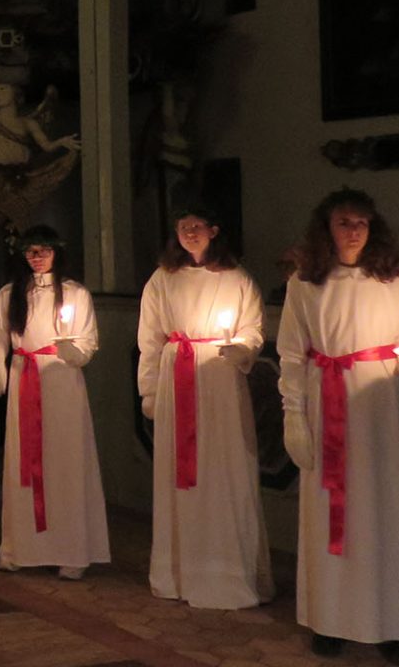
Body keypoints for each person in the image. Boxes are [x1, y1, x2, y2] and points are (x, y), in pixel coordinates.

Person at [277, 189, 399, 659]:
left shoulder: (396, 281)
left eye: (361, 223)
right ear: (326, 228)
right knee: (330, 511)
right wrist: (294, 415)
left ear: (373, 230)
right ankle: (329, 618)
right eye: (343, 223)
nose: (352, 232)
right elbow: (291, 353)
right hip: (324, 401)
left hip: (379, 412)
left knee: (385, 510)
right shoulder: (306, 283)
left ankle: (393, 619)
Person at [137, 209, 272, 609]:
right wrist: (148, 389)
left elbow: (253, 329)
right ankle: (179, 572)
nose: (190, 233)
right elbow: (149, 336)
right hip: (177, 381)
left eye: (197, 226)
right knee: (180, 480)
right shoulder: (163, 279)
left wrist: (243, 348)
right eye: (182, 227)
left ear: (214, 230)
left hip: (220, 382)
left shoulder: (237, 279)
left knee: (224, 469)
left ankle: (229, 571)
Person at [0, 226, 110, 579]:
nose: (37, 257)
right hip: (26, 379)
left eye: (44, 251)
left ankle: (71, 549)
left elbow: (87, 340)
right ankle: (20, 547)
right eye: (30, 251)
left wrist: (74, 351)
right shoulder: (11, 295)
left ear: (57, 253)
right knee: (23, 461)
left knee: (65, 461)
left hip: (62, 383)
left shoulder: (74, 294)